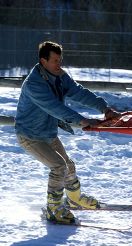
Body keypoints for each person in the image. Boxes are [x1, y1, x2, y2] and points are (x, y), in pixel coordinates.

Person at [15, 41, 121, 225]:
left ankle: (74, 199)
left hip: (47, 133)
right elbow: (55, 108)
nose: (59, 64)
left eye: (60, 60)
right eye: (55, 60)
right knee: (58, 167)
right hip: (30, 135)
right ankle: (53, 209)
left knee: (68, 167)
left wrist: (104, 108)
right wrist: (82, 120)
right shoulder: (34, 84)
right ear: (43, 61)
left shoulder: (59, 76)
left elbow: (79, 93)